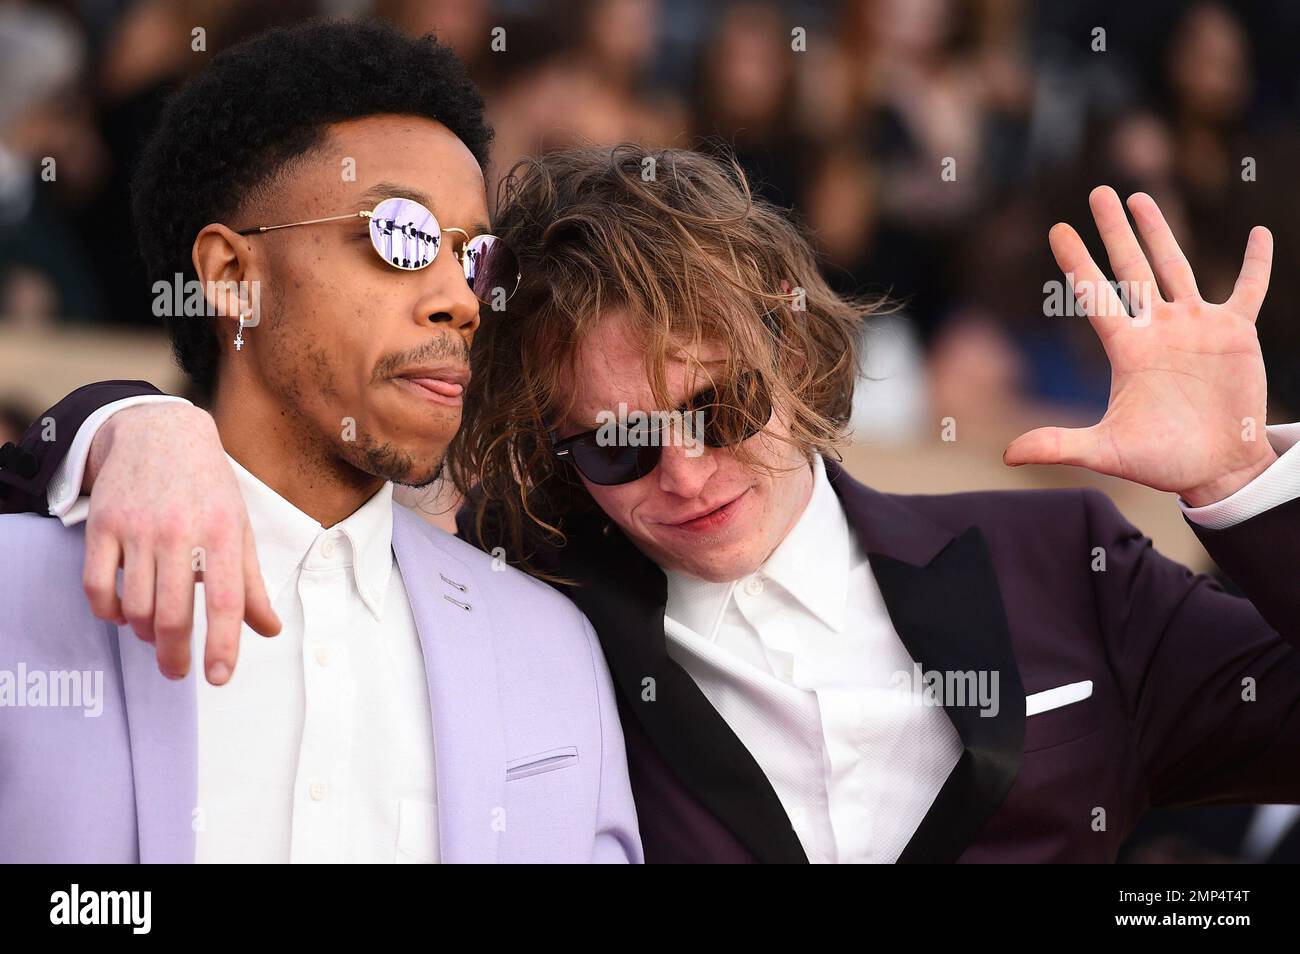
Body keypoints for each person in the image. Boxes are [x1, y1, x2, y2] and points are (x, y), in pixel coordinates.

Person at [7, 140, 1300, 863]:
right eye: (619, 445)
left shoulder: (1055, 557)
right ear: (557, 450)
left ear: (796, 359)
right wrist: (132, 425)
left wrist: (1250, 492)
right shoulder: (527, 623)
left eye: (724, 408)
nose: (684, 471)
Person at [0, 19, 640, 865]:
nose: (460, 298)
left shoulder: (550, 647)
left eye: (477, 257)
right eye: (402, 235)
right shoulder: (20, 594)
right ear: (232, 279)